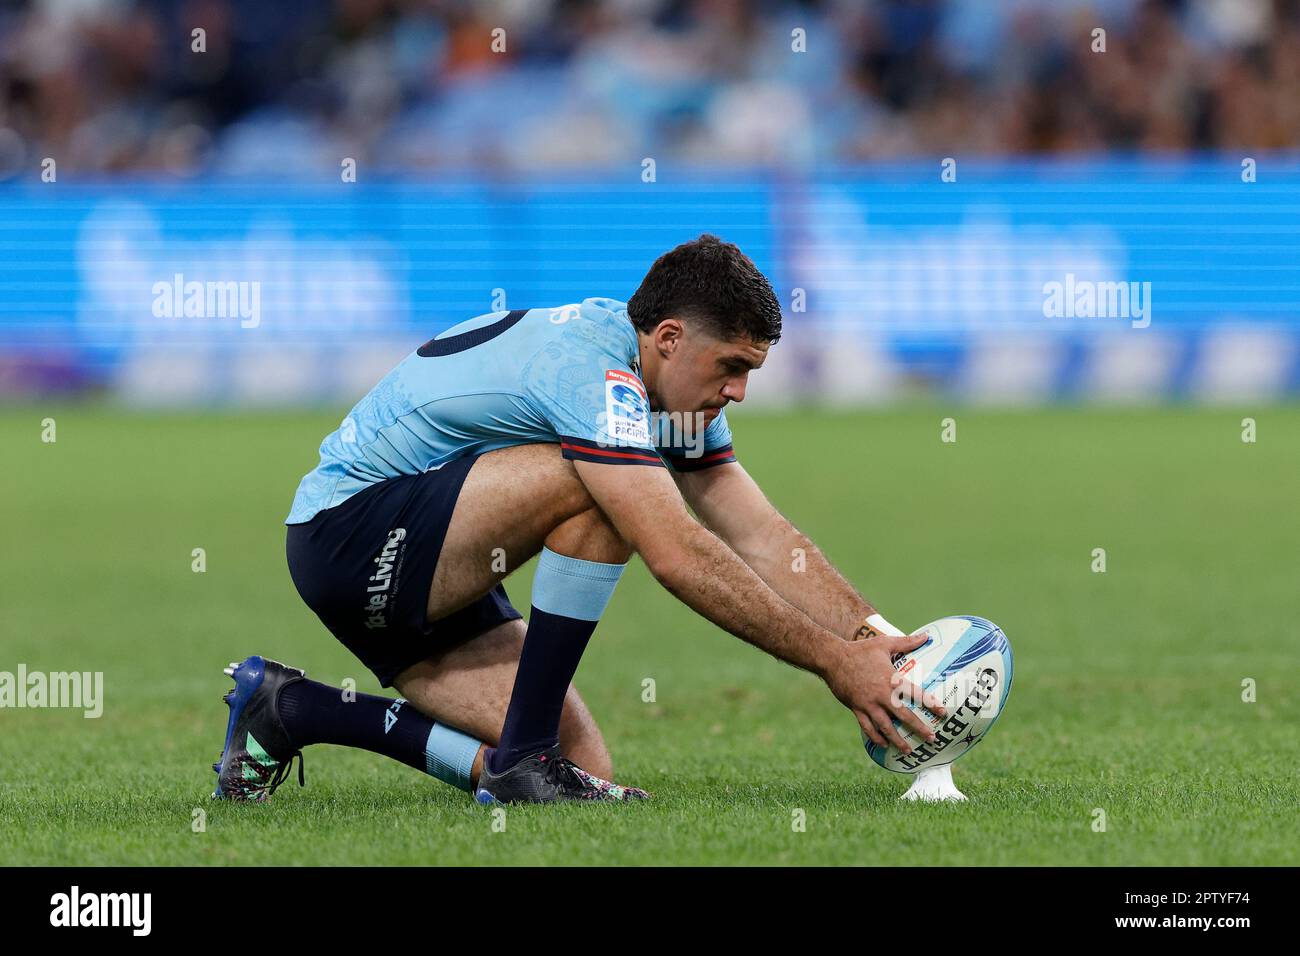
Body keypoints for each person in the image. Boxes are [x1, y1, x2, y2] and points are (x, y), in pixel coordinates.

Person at [210, 234, 945, 804]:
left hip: (436, 555)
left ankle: (293, 710)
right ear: (667, 339)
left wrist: (873, 640)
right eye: (730, 366)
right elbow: (678, 552)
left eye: (750, 370)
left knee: (582, 768)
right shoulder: (594, 376)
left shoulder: (665, 396)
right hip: (352, 532)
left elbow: (757, 531)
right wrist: (829, 664)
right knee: (608, 486)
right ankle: (523, 759)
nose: (740, 391)